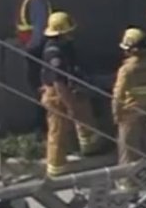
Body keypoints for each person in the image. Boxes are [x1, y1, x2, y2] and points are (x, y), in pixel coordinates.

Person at [40, 11, 103, 177]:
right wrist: (70, 106)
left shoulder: (66, 46)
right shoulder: (53, 53)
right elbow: (58, 82)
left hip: (72, 88)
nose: (71, 34)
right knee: (58, 131)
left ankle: (90, 149)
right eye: (68, 31)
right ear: (60, 33)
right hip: (58, 95)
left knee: (86, 118)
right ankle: (56, 169)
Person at [111, 27, 146, 186]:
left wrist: (116, 115)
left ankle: (127, 186)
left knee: (128, 154)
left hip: (129, 115)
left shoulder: (127, 70)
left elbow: (117, 96)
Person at [4, 0, 52, 132]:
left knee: (40, 85)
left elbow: (40, 25)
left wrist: (31, 46)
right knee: (35, 86)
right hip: (31, 48)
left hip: (37, 50)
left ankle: (44, 121)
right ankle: (42, 120)